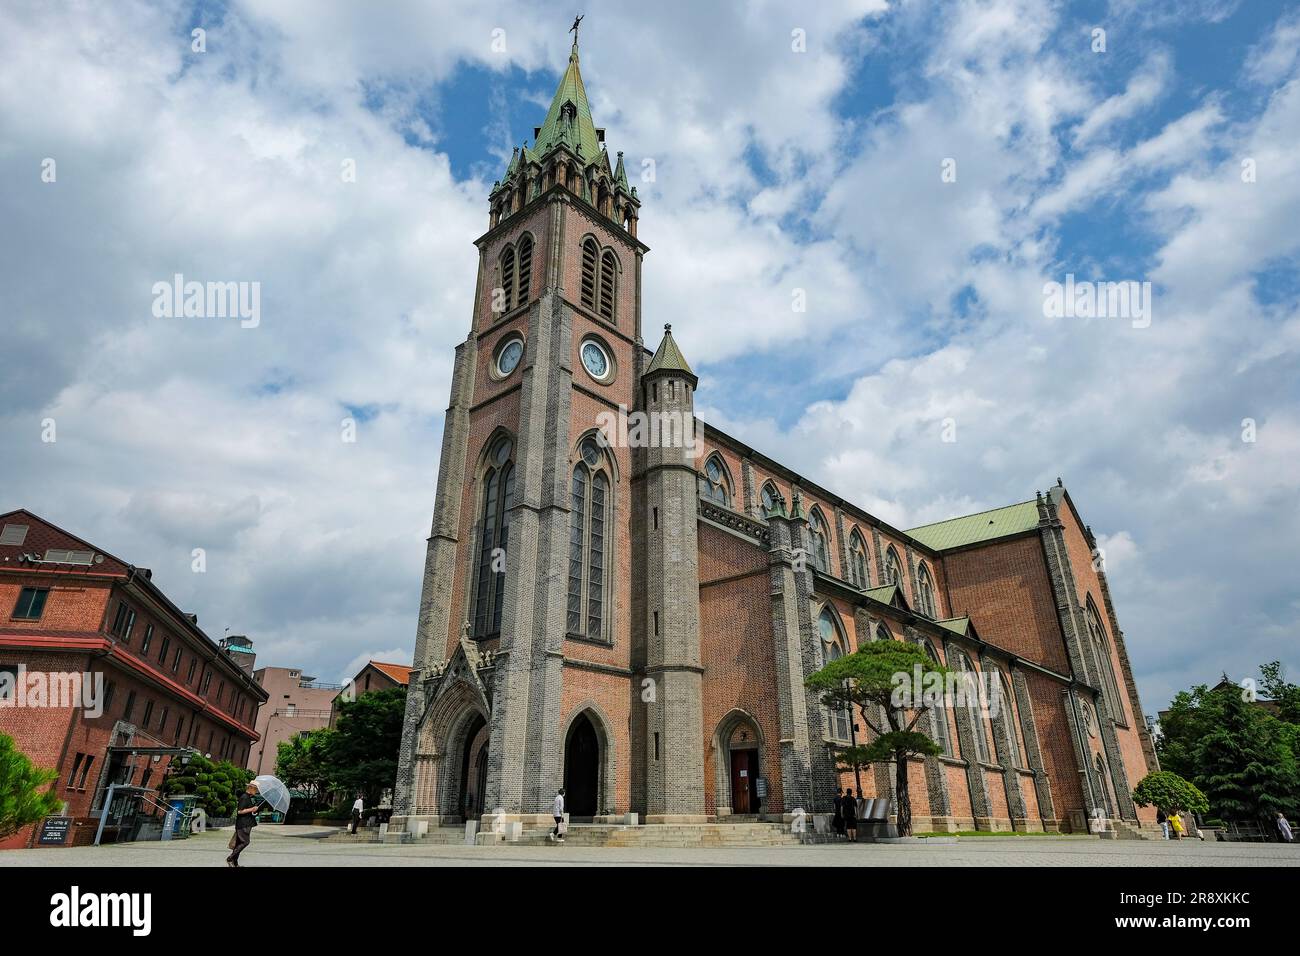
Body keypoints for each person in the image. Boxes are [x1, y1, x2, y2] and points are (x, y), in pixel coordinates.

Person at [226, 782, 260, 867]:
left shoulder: (249, 797)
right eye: (256, 789)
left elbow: (247, 810)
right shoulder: (244, 797)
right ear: (251, 788)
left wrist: (254, 811)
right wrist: (252, 809)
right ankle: (230, 858)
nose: (256, 791)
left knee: (239, 844)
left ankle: (235, 863)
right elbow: (240, 811)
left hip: (246, 823)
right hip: (243, 824)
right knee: (245, 842)